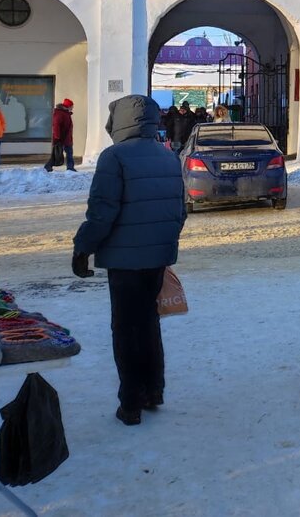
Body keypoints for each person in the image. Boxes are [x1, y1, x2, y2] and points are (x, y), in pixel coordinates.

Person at [72, 94, 186, 426]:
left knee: (125, 328)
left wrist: (83, 248)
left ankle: (130, 402)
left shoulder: (114, 157)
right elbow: (179, 212)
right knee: (149, 322)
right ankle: (153, 391)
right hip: (156, 258)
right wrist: (164, 244)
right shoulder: (167, 158)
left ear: (118, 121)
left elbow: (101, 213)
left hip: (124, 262)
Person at [45, 98, 76, 172]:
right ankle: (48, 166)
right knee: (58, 153)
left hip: (66, 138)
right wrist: (57, 137)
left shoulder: (65, 113)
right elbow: (56, 126)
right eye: (72, 106)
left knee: (68, 153)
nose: (72, 108)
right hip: (61, 138)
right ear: (68, 106)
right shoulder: (60, 113)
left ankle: (70, 167)